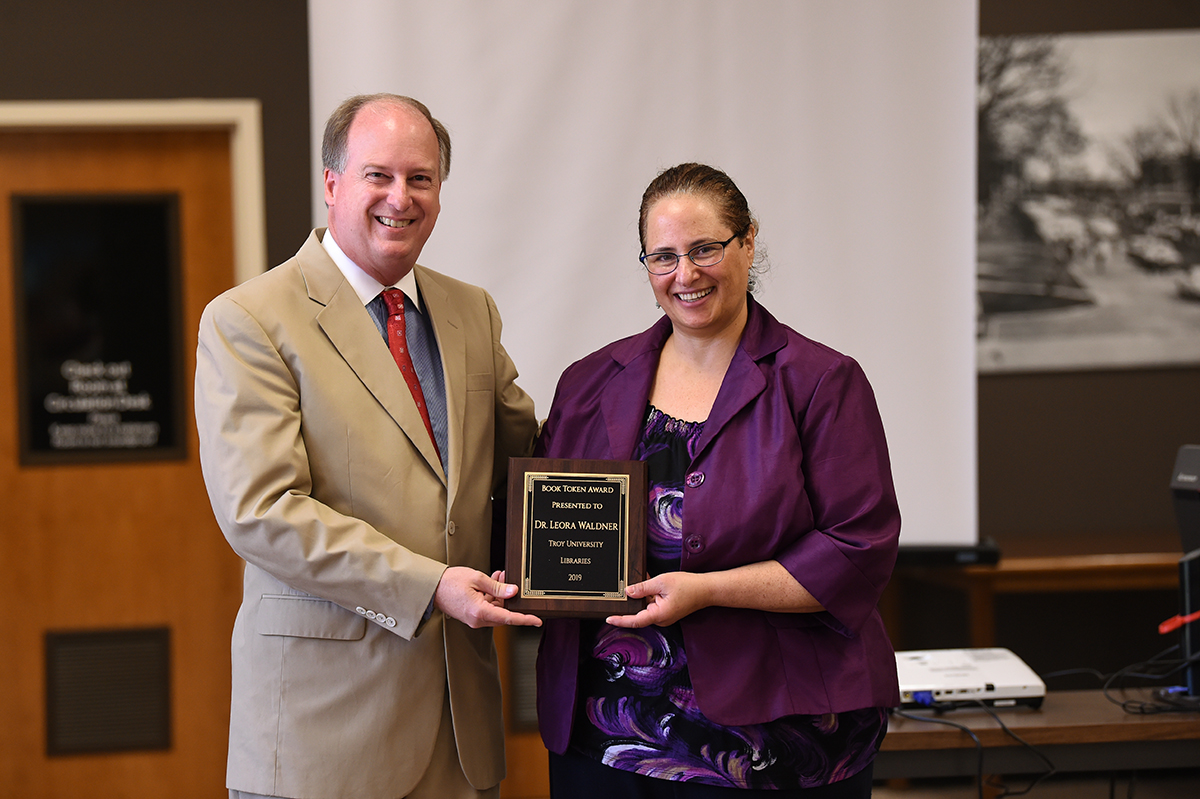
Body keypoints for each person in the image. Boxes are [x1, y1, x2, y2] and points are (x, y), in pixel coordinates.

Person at [194, 93, 541, 799]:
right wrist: (429, 585)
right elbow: (262, 511)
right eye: (378, 175)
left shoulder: (471, 310)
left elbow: (525, 465)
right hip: (322, 740)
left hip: (460, 737)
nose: (400, 198)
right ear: (332, 183)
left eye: (421, 179)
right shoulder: (249, 319)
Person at [534, 163, 901, 798]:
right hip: (608, 737)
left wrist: (707, 590)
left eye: (705, 248)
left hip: (777, 740)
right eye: (664, 257)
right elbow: (546, 524)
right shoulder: (589, 382)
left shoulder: (821, 381)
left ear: (748, 242)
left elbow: (857, 553)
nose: (686, 274)